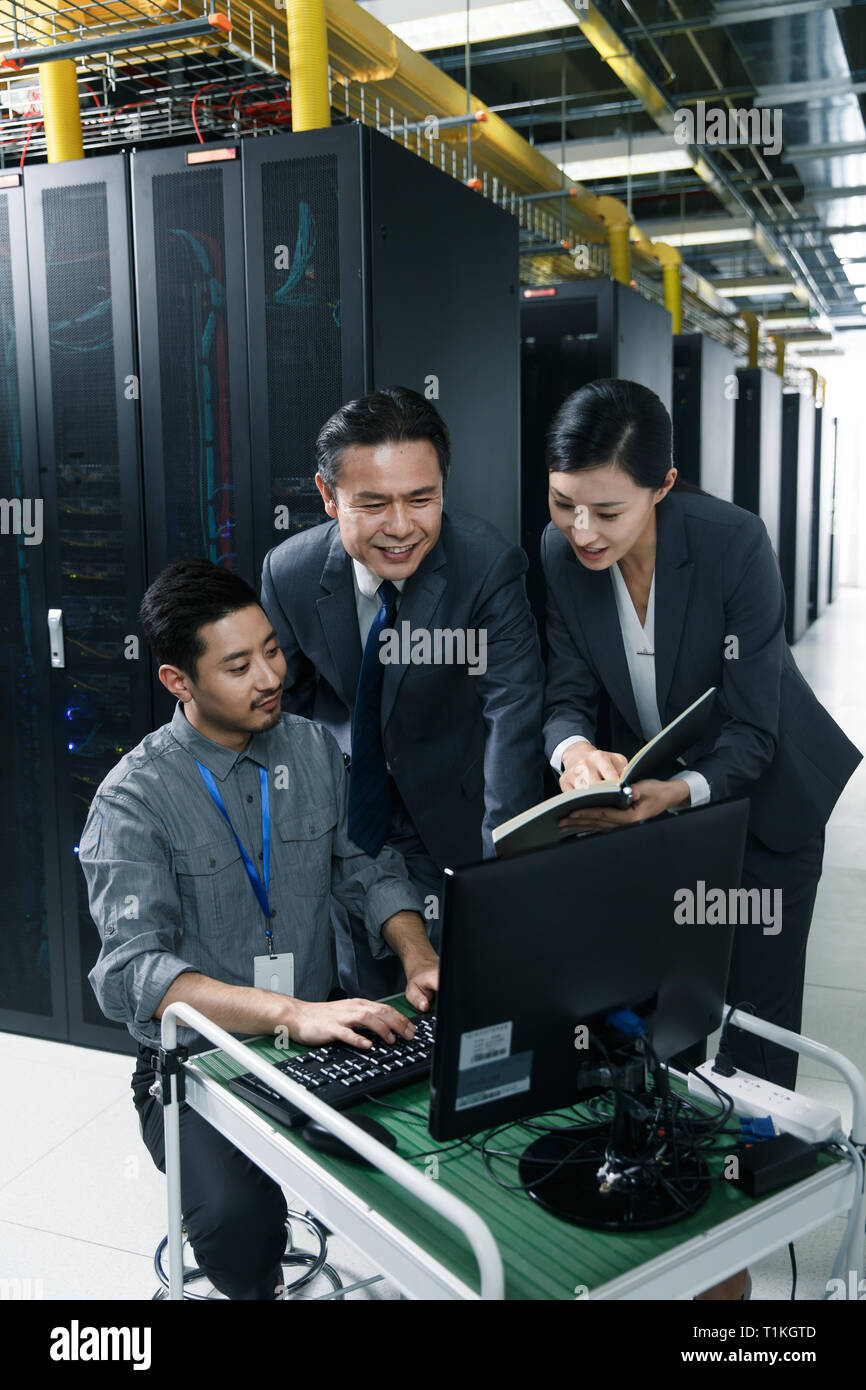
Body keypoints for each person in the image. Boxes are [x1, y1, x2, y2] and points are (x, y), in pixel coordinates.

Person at [79, 558, 438, 1301]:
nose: (269, 676)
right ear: (179, 682)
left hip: (316, 1036)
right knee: (241, 1224)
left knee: (440, 1150)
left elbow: (367, 865)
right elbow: (133, 974)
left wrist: (417, 954)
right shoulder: (134, 801)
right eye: (239, 666)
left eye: (271, 650)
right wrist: (289, 1012)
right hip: (199, 1072)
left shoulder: (310, 750)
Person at [541, 378, 861, 1089]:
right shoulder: (562, 555)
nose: (582, 529)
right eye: (564, 504)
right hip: (656, 814)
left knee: (757, 1027)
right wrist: (575, 750)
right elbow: (566, 693)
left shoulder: (731, 542)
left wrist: (679, 792)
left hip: (765, 802)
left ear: (664, 486)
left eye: (607, 510)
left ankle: (755, 1184)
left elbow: (752, 729)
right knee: (663, 1013)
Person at [261, 385, 545, 997]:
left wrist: (498, 874)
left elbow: (512, 716)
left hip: (457, 811)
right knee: (365, 992)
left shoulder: (488, 567)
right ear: (328, 498)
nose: (401, 527)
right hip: (350, 811)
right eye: (373, 504)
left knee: (464, 989)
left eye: (422, 499)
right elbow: (282, 708)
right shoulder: (289, 572)